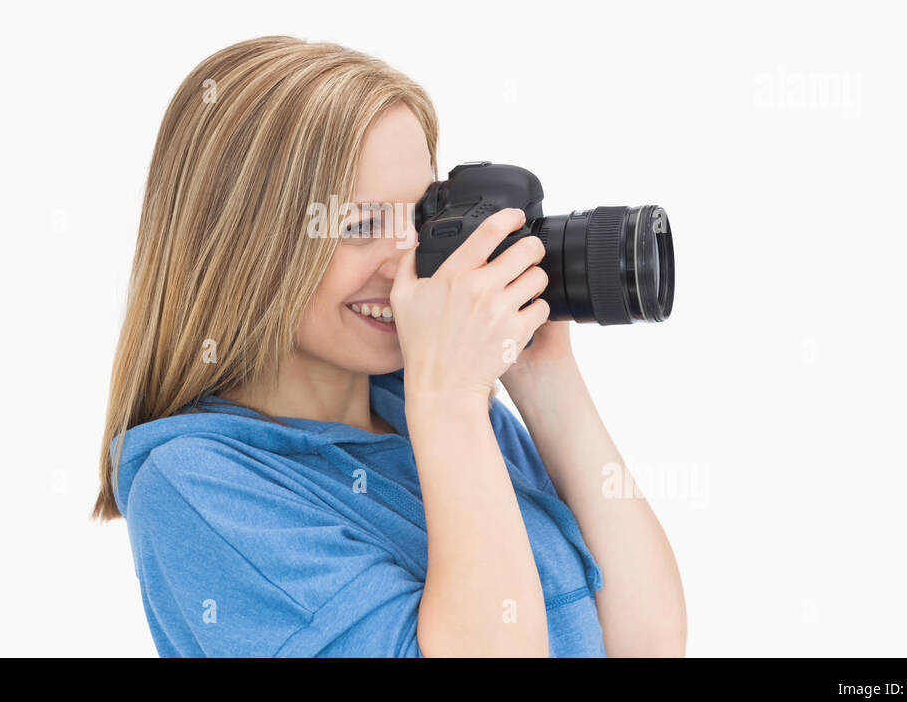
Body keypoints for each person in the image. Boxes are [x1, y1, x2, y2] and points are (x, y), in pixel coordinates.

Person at [91, 35, 687, 657]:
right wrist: (450, 400)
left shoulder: (429, 408)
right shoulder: (198, 484)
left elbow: (647, 645)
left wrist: (545, 375)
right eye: (360, 225)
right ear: (243, 246)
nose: (410, 262)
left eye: (422, 217)